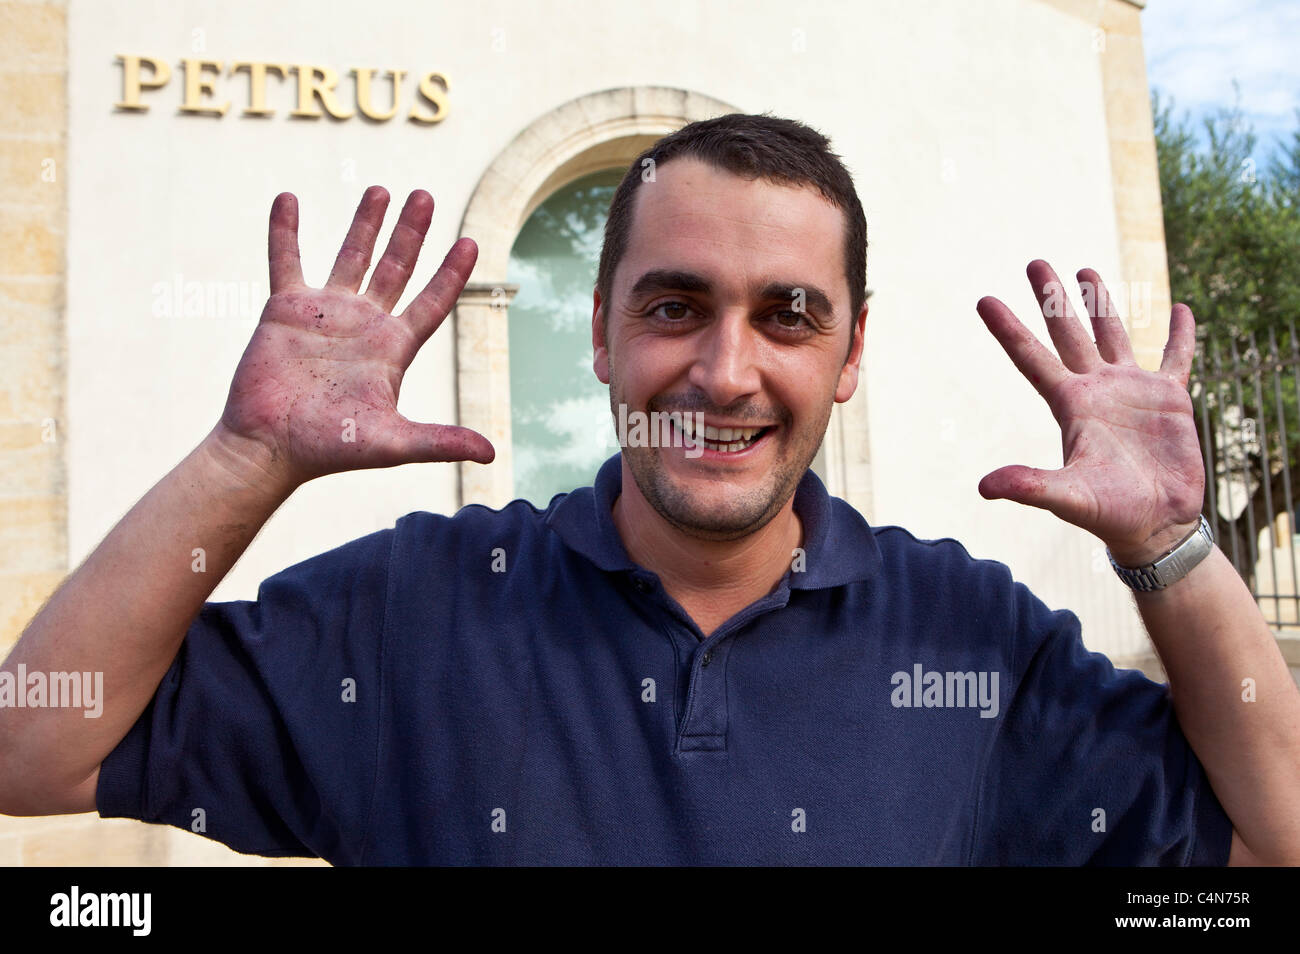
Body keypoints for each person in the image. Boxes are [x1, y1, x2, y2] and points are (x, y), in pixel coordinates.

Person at [1, 114, 1296, 865]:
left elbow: (1271, 840)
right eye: (676, 306)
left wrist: (1176, 545)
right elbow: (35, 746)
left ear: (850, 356)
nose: (724, 370)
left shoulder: (963, 634)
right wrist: (248, 456)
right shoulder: (415, 606)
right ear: (604, 340)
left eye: (788, 316)